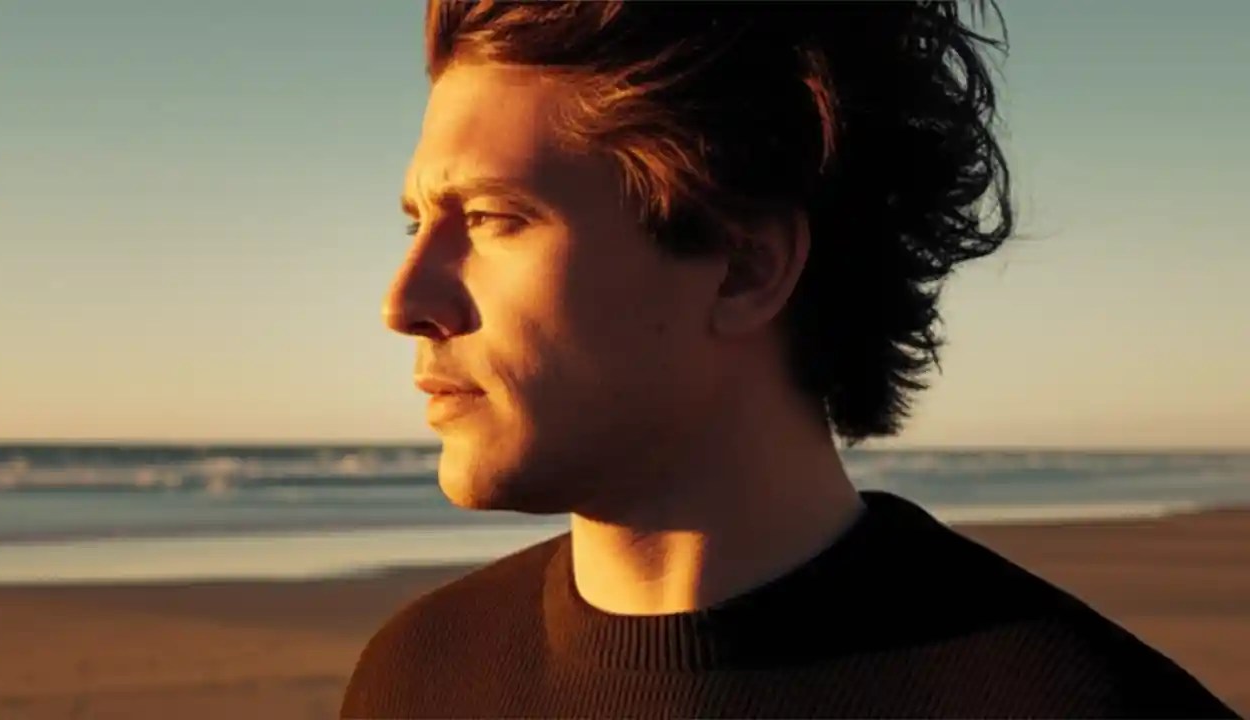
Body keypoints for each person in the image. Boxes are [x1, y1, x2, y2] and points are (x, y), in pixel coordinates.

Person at [342, 1, 1239, 717]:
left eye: (494, 220)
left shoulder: (1080, 704)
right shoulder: (414, 676)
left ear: (744, 268)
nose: (405, 302)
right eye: (417, 223)